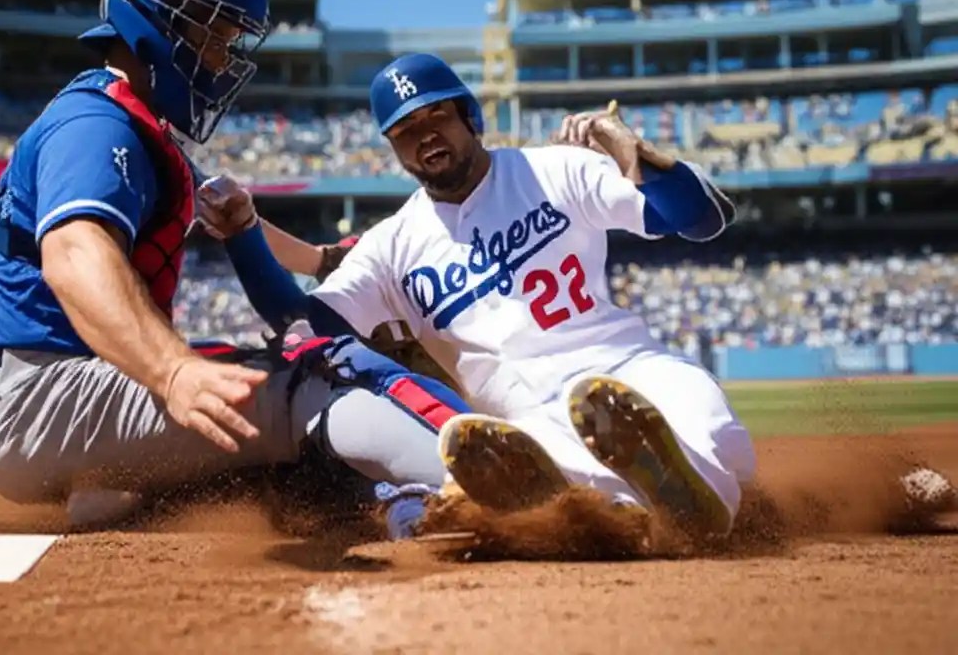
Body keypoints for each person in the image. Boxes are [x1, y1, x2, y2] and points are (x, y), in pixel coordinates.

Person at [0, 0, 459, 536]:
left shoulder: (137, 128)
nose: (223, 61)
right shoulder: (95, 128)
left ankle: (124, 486)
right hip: (42, 396)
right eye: (213, 36)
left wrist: (325, 258)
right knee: (320, 373)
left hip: (55, 396)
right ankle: (492, 485)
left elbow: (237, 215)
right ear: (152, 17)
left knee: (285, 452)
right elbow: (74, 255)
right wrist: (173, 371)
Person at [206, 53, 758, 538]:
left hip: (629, 372)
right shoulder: (392, 246)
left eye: (436, 114)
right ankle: (655, 514)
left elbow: (698, 219)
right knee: (554, 475)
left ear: (469, 115)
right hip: (528, 416)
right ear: (394, 149)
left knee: (713, 429)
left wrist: (635, 152)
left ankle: (659, 510)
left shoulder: (556, 169)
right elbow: (301, 320)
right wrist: (242, 236)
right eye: (404, 129)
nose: (425, 135)